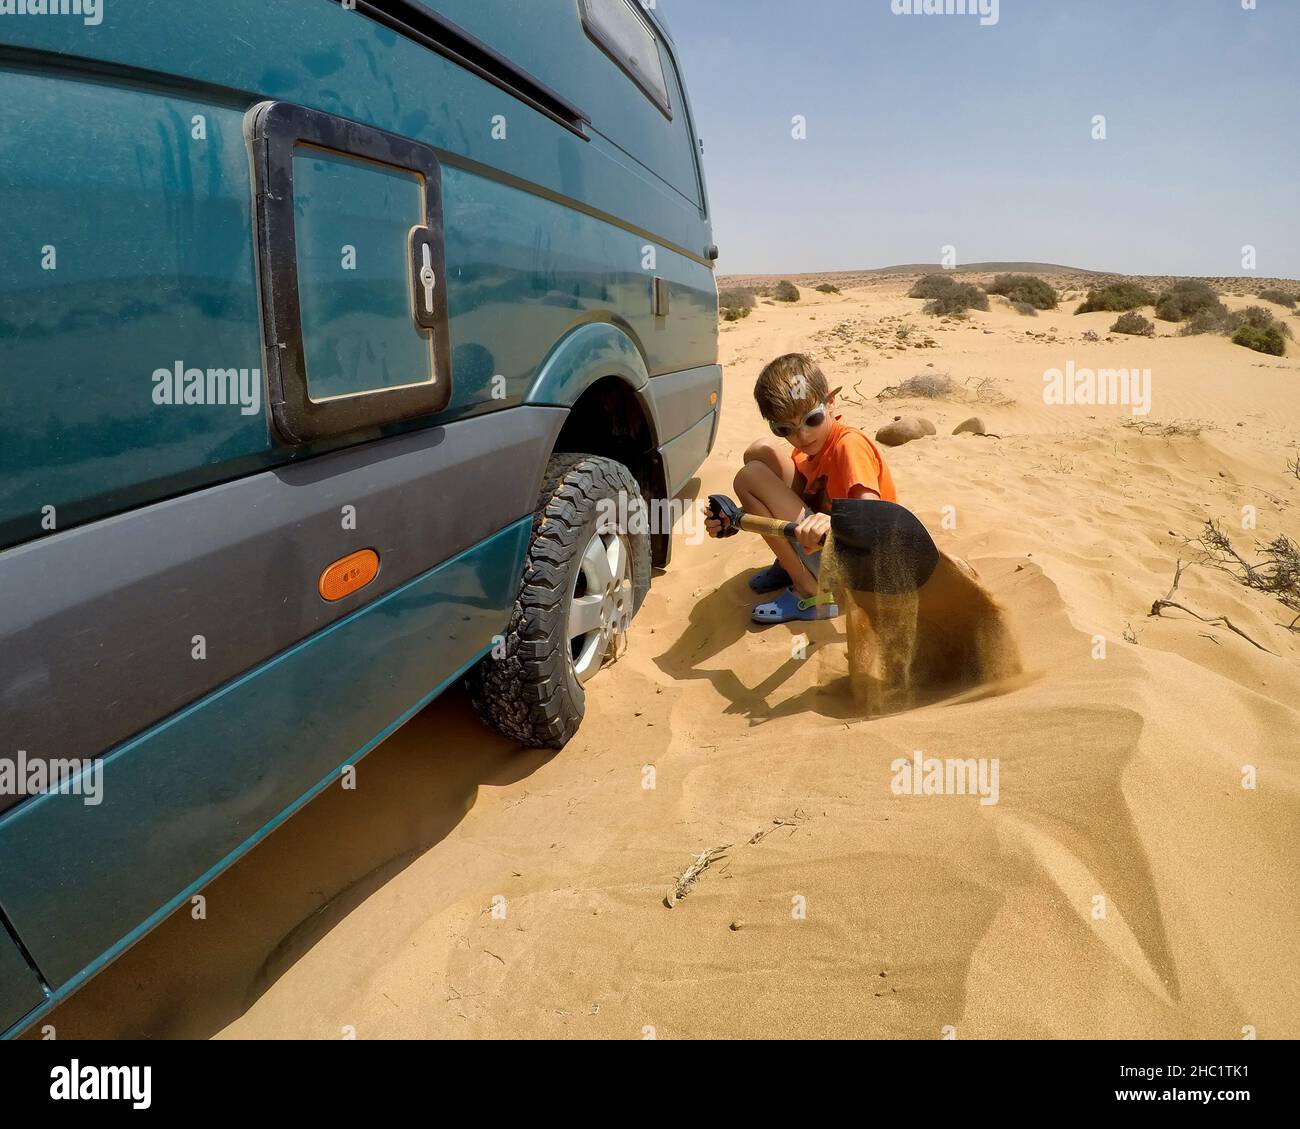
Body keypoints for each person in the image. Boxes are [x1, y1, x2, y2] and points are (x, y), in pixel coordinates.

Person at [705, 353, 898, 623]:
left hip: (855, 569)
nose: (802, 435)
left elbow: (874, 515)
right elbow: (780, 503)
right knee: (760, 452)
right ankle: (790, 564)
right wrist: (733, 518)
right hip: (820, 545)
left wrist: (833, 522)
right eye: (785, 429)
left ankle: (809, 589)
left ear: (830, 402)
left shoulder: (848, 445)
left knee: (749, 478)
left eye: (812, 419)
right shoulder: (810, 452)